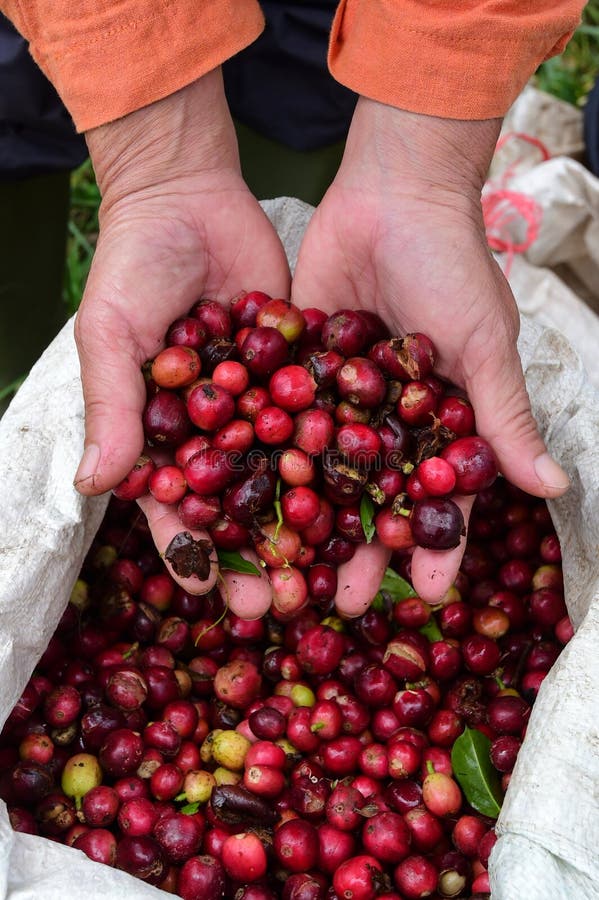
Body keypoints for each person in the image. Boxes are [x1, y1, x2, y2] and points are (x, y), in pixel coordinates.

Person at [0, 1, 579, 617]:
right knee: (15, 107)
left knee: (298, 79)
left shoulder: (300, 423)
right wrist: (153, 156)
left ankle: (290, 130)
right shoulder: (281, 417)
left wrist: (423, 153)